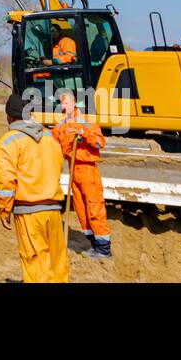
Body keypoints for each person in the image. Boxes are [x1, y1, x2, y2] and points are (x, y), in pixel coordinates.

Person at [0, 91, 69, 283]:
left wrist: (4, 210)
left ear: (9, 117)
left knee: (35, 265)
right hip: (53, 210)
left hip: (29, 213)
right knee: (57, 263)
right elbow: (57, 166)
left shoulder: (7, 143)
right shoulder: (49, 137)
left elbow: (5, 184)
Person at [52, 90, 111, 258]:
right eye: (62, 103)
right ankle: (93, 245)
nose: (64, 106)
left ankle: (104, 250)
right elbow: (52, 140)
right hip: (72, 171)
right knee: (81, 210)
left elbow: (100, 143)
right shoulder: (61, 125)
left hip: (87, 170)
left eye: (67, 103)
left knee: (94, 208)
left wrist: (85, 134)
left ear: (74, 103)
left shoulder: (86, 121)